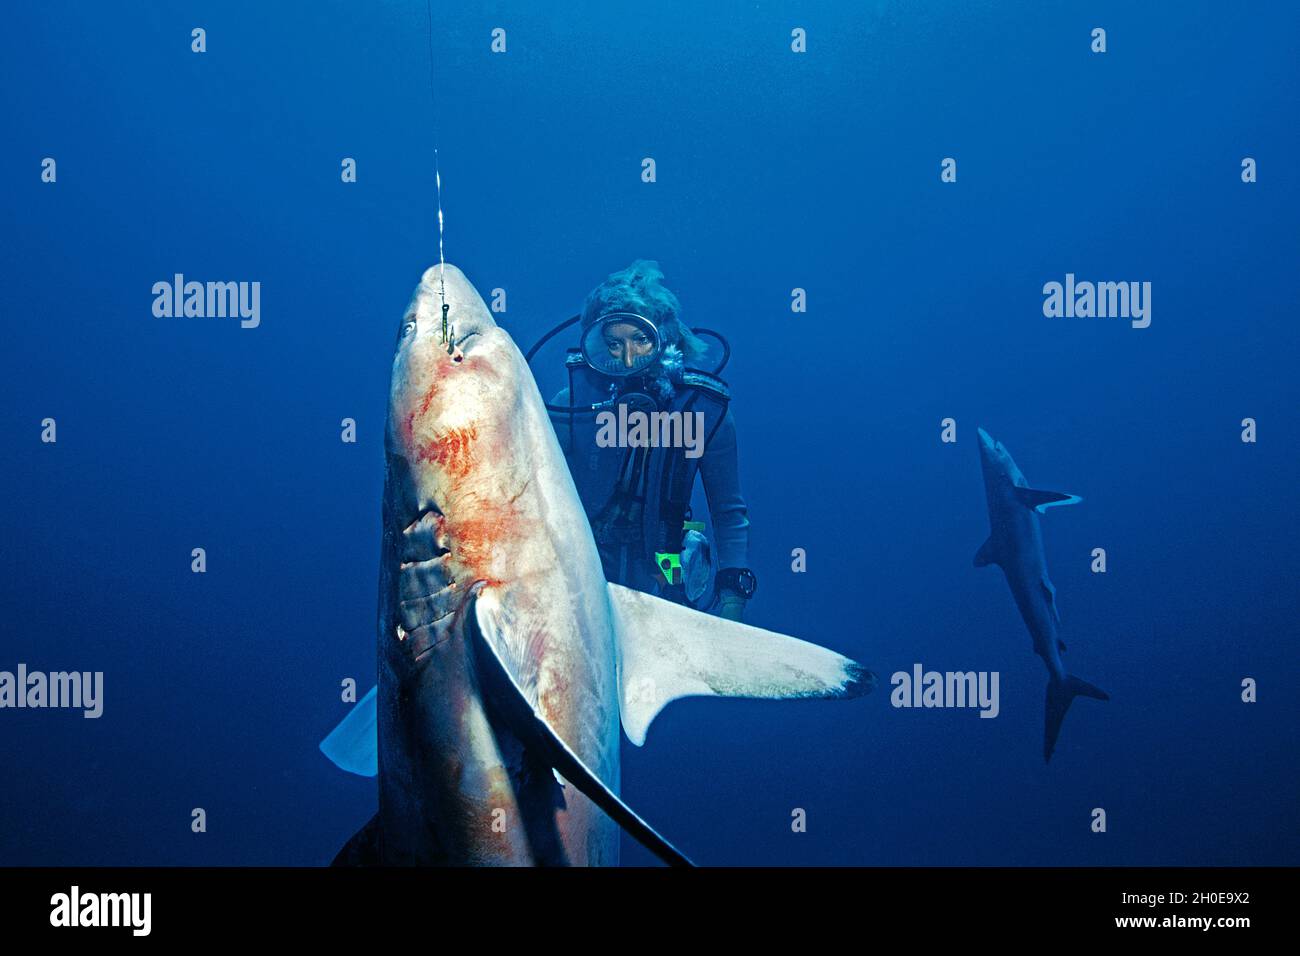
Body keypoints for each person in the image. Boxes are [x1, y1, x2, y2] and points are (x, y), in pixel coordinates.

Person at [546, 260, 757, 621]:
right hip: (580, 568)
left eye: (641, 340)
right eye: (614, 344)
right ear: (597, 343)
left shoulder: (703, 412)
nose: (628, 359)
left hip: (665, 569)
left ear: (666, 338)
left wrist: (732, 598)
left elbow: (728, 511)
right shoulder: (569, 405)